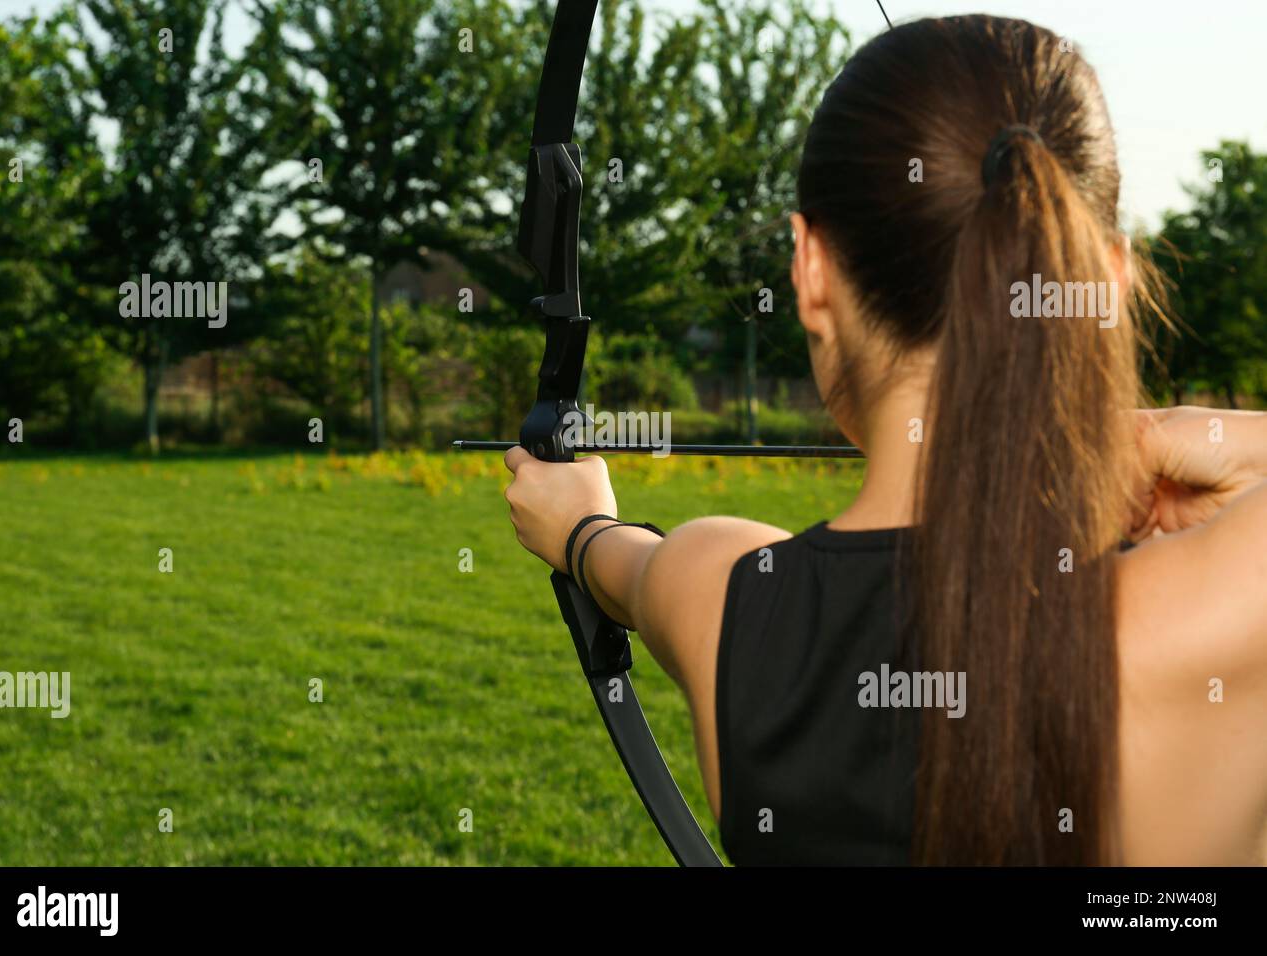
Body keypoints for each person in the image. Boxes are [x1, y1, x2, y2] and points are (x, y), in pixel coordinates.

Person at [501, 14, 1267, 865]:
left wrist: (578, 529)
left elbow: (619, 559)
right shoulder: (1214, 616)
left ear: (810, 270)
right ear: (1108, 283)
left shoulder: (717, 592)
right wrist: (1191, 440)